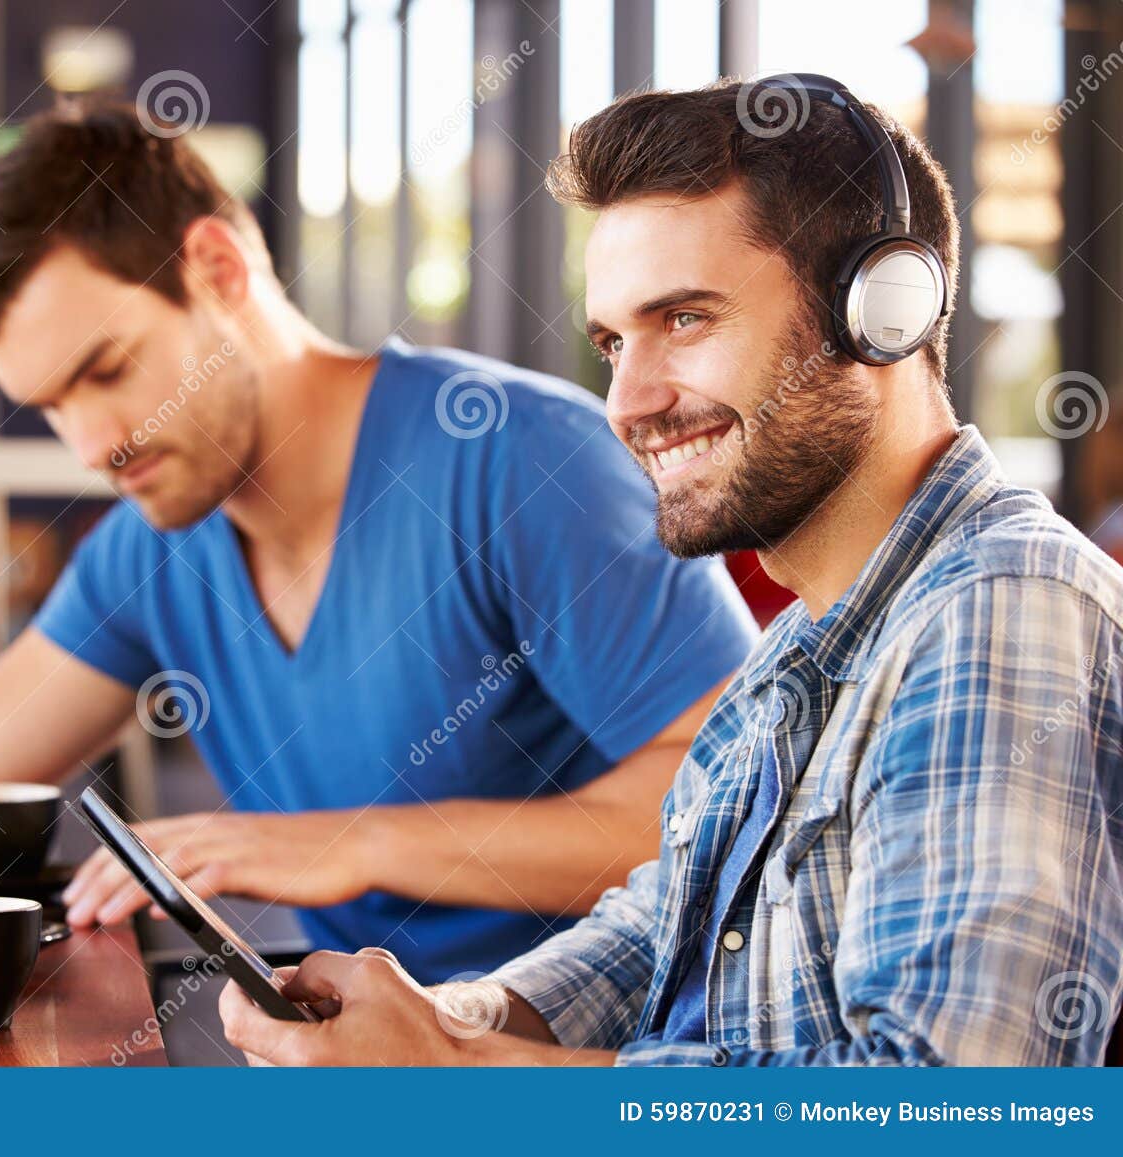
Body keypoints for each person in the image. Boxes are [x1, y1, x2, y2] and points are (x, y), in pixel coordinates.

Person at [0, 103, 757, 984]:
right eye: (51, 403)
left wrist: (349, 842)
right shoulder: (157, 537)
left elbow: (730, 806)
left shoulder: (515, 458)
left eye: (108, 371)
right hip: (345, 1049)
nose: (93, 443)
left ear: (219, 269)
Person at [220, 76, 1123, 1063]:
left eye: (685, 319)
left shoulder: (997, 609)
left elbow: (952, 1109)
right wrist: (449, 1019)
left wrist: (457, 1074)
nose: (627, 401)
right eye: (613, 341)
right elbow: (666, 925)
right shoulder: (807, 639)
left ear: (882, 312)